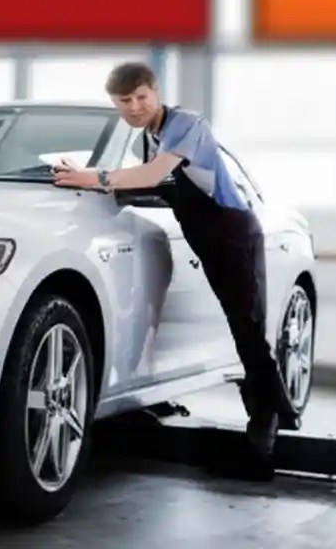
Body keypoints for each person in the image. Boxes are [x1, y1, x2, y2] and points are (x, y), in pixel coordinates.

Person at [51, 61, 300, 479]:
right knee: (243, 326)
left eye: (141, 98)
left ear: (156, 92)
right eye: (124, 102)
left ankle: (264, 435)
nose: (133, 107)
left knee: (247, 328)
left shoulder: (187, 124)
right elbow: (154, 186)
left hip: (233, 232)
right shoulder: (154, 136)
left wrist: (91, 176)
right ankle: (282, 412)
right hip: (208, 238)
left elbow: (152, 175)